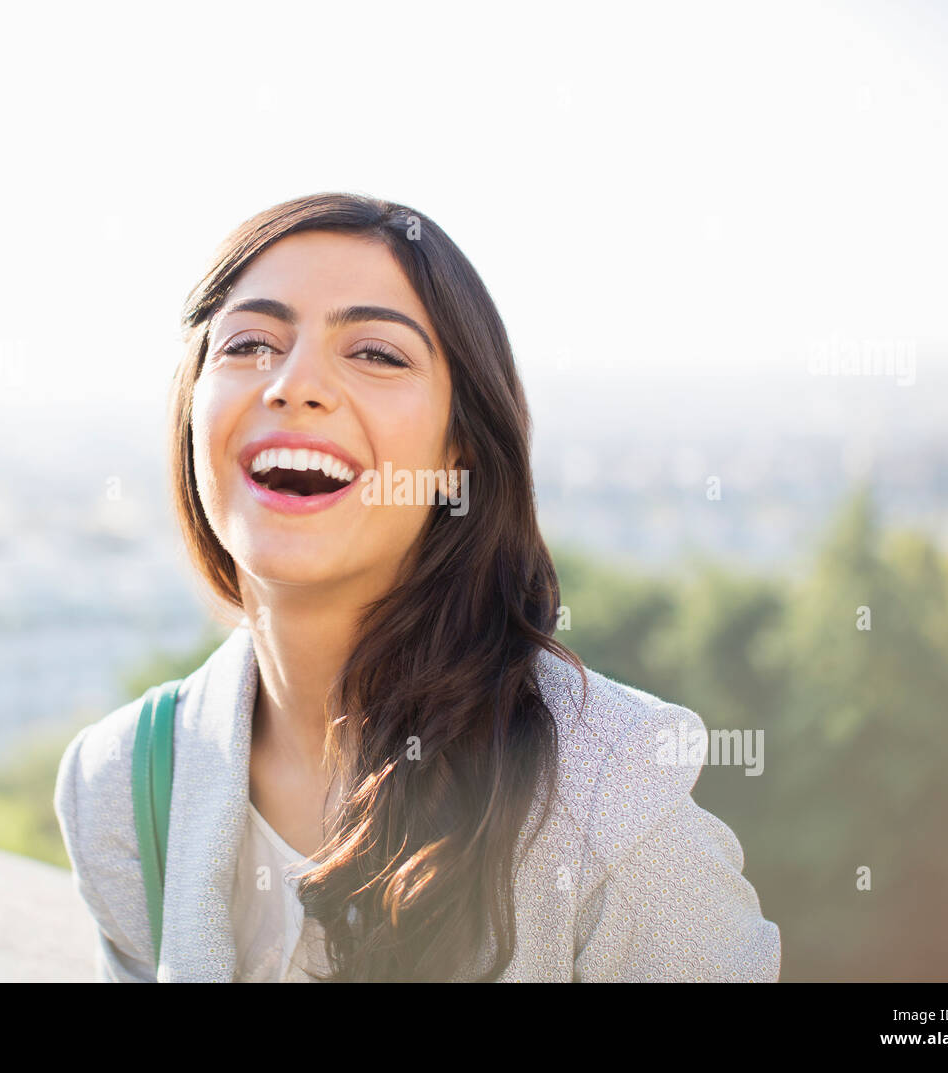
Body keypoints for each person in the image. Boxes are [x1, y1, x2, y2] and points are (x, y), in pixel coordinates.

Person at [54, 191, 781, 982]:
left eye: (375, 353)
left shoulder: (607, 799)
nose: (294, 384)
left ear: (458, 453)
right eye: (251, 343)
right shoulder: (121, 787)